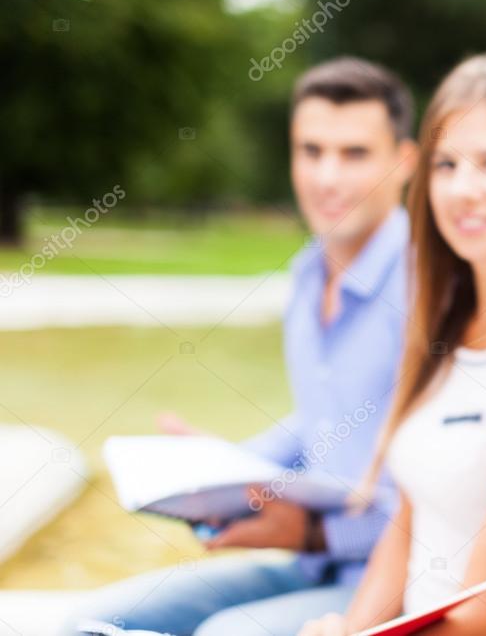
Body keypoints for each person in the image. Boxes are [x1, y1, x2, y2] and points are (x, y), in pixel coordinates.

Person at [67, 57, 419, 635]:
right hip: (312, 568)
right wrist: (223, 469)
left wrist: (315, 531)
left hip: (397, 579)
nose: (327, 177)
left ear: (404, 162)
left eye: (354, 154)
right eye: (312, 151)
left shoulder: (430, 290)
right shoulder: (308, 275)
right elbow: (323, 421)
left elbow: (451, 492)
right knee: (90, 623)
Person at [298, 53, 486, 636]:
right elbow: (411, 519)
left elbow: (480, 622)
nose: (464, 189)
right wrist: (350, 627)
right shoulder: (443, 341)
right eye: (446, 164)